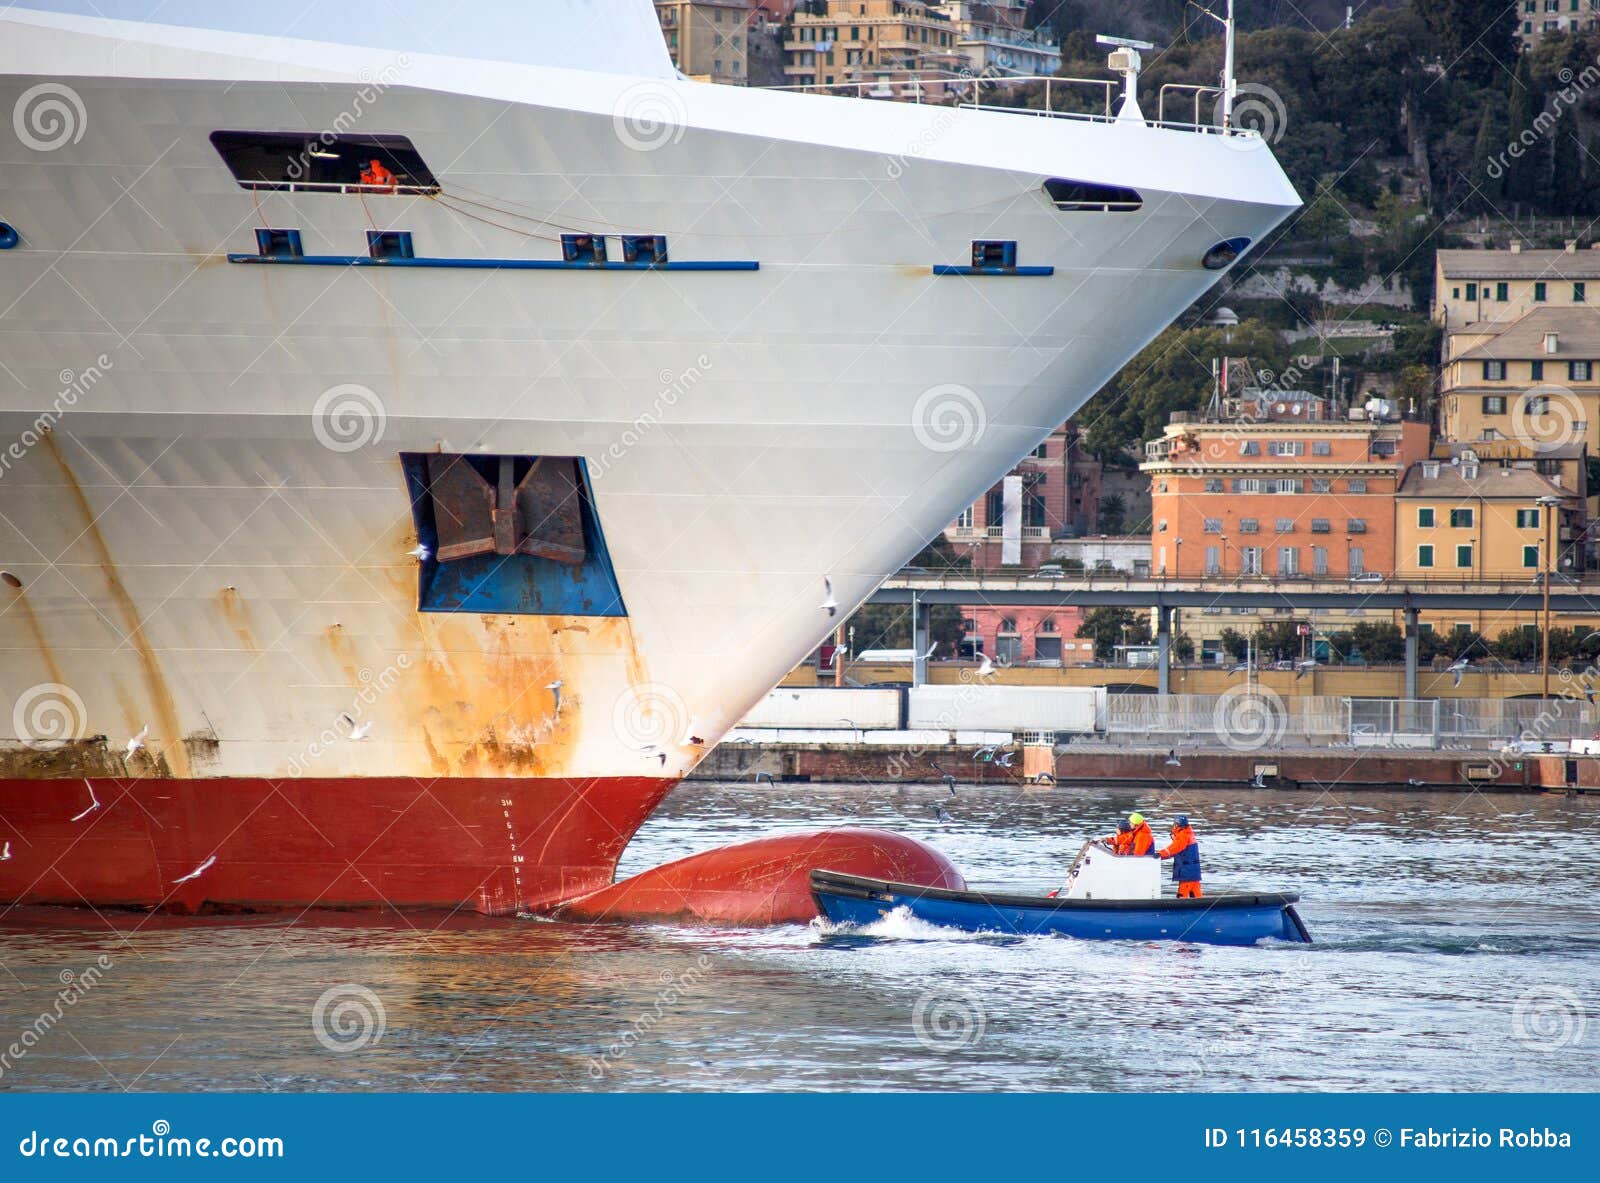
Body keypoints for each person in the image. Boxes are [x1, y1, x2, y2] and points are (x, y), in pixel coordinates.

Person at [1158, 814, 1202, 898]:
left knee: (1182, 895)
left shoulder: (1183, 836)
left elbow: (1174, 849)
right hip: (1193, 871)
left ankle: (1182, 911)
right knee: (1196, 895)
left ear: (1177, 825)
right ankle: (1202, 910)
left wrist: (1160, 854)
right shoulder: (1189, 834)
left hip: (1187, 872)